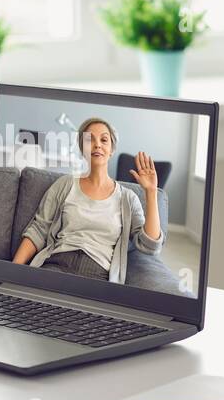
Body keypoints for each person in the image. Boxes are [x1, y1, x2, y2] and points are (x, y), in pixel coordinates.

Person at [11, 117, 164, 283]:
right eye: (90, 139)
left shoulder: (128, 198)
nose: (97, 144)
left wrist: (151, 192)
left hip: (97, 275)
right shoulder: (65, 184)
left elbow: (150, 246)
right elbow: (38, 231)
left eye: (104, 140)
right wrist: (12, 271)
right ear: (82, 148)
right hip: (56, 265)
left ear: (112, 149)